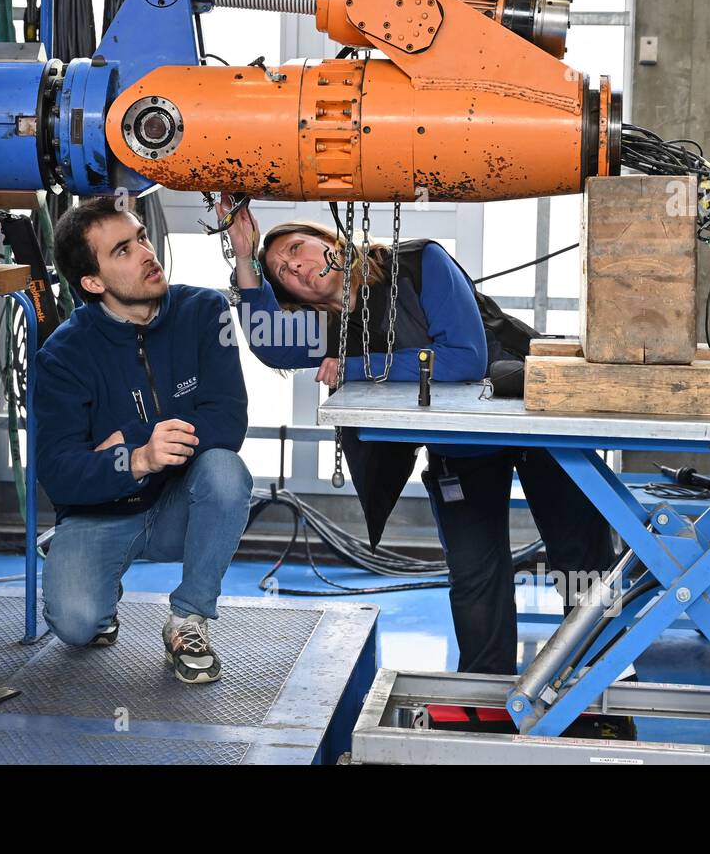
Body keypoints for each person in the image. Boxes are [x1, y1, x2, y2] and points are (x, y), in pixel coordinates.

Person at [221, 194, 615, 676]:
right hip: (462, 443)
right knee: (474, 571)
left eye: (298, 247)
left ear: (331, 240)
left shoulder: (420, 261)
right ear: (292, 299)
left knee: (582, 560)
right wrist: (245, 255)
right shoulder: (326, 328)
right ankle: (484, 695)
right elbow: (269, 345)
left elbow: (464, 359)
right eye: (283, 271)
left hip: (537, 415)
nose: (296, 265)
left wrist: (355, 368)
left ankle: (601, 688)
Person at [34, 196, 253, 683]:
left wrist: (133, 443)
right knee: (74, 624)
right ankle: (91, 578)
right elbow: (60, 473)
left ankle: (188, 618)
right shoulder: (63, 355)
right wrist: (136, 461)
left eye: (142, 238)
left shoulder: (205, 311)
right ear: (93, 283)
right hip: (103, 512)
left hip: (180, 504)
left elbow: (228, 421)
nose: (146, 253)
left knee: (225, 472)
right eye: (122, 251)